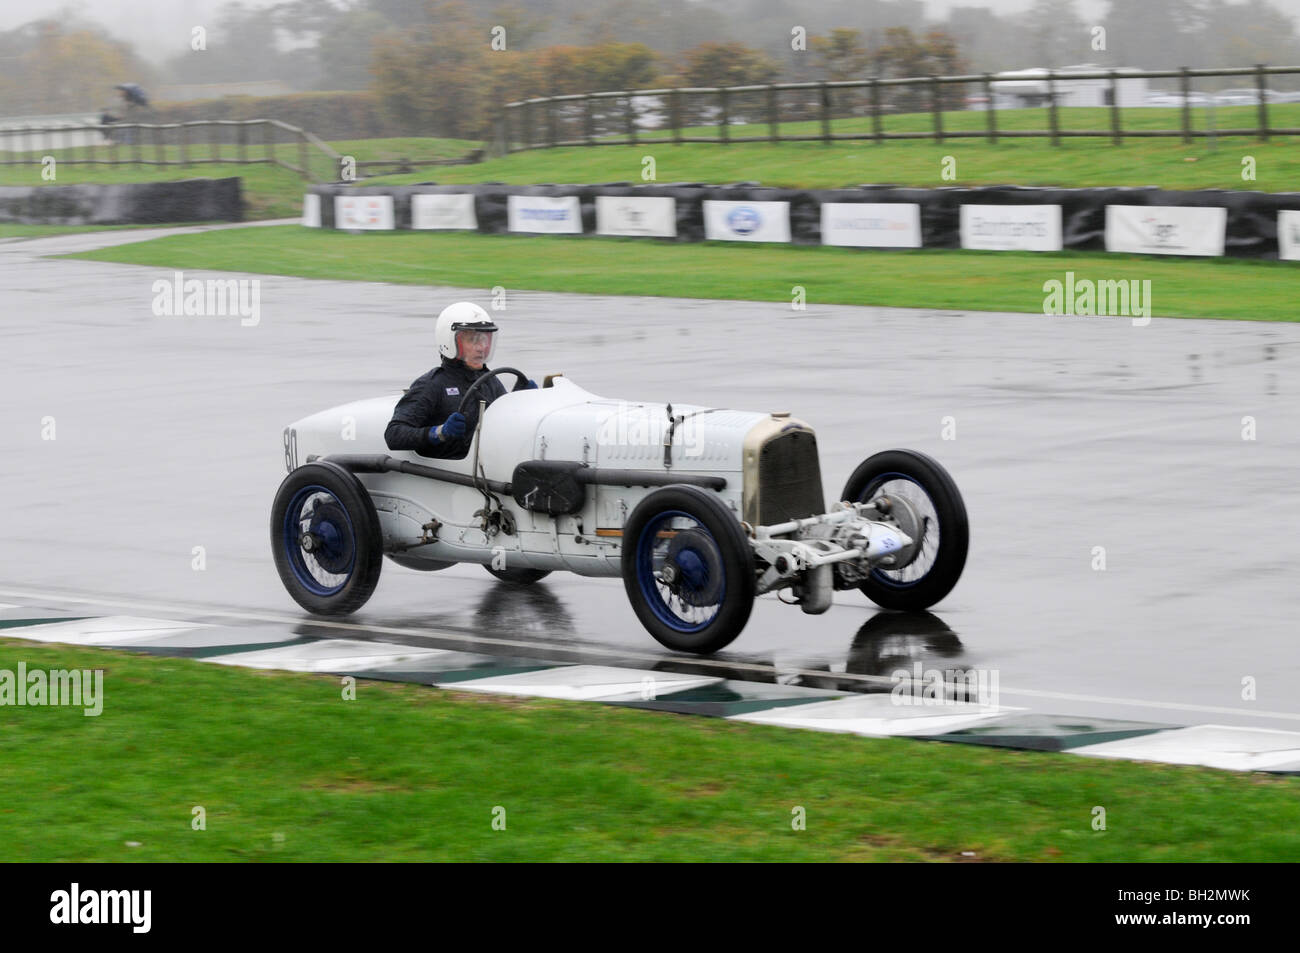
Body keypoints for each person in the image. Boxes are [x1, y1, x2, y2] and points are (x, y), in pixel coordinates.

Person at [384, 302, 535, 460]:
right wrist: (439, 432)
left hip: (485, 466)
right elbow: (394, 434)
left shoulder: (489, 380)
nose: (481, 347)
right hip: (447, 475)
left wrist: (518, 401)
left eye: (485, 340)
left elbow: (502, 425)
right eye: (472, 340)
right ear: (450, 342)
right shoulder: (432, 384)